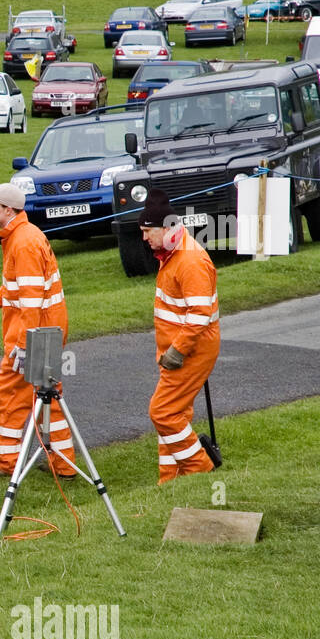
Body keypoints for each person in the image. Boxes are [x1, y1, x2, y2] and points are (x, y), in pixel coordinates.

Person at [0, 183, 75, 479]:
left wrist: (23, 345)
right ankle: (64, 465)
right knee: (49, 396)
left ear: (9, 209)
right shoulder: (22, 236)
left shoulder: (23, 242)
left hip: (34, 335)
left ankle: (4, 463)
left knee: (7, 397)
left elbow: (30, 301)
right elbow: (19, 287)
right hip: (48, 330)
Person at [138, 188, 220, 484]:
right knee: (176, 412)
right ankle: (169, 479)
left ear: (167, 229)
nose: (144, 238)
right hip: (177, 351)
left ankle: (198, 467)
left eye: (147, 231)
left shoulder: (190, 261)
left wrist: (178, 351)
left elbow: (198, 316)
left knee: (163, 412)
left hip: (189, 352)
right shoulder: (172, 255)